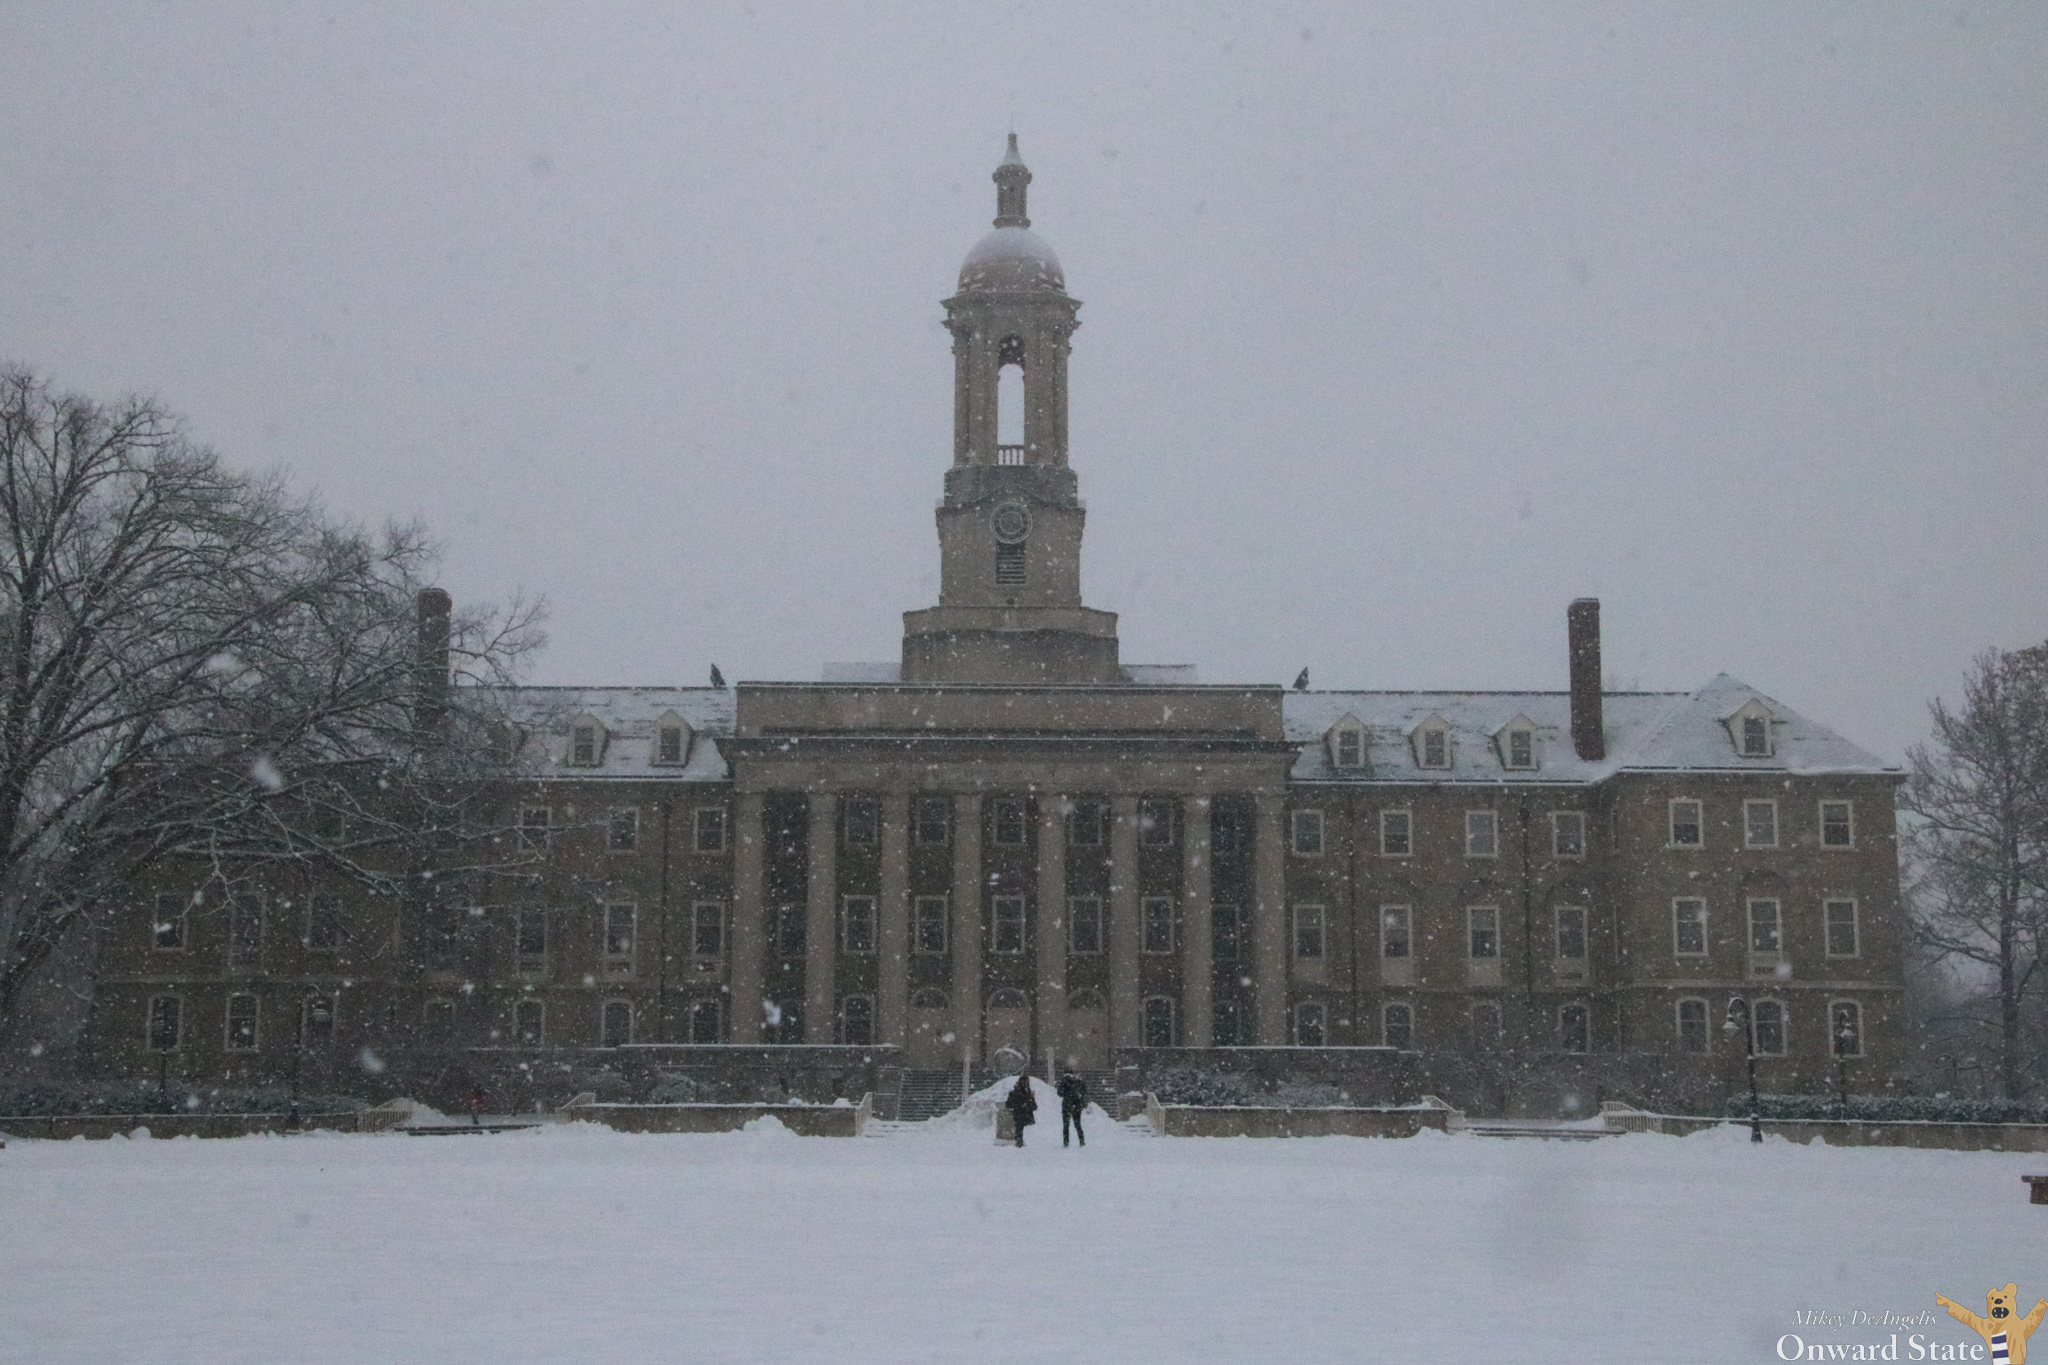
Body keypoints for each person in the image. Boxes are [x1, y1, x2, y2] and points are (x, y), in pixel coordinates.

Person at [1056, 1070, 1087, 1147]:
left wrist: (1066, 1093)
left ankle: (1066, 1142)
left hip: (1067, 1105)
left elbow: (1059, 1093)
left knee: (1066, 1125)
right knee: (1078, 1125)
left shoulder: (1065, 1081)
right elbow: (1084, 1091)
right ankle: (1082, 1141)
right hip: (1076, 1106)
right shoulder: (1078, 1080)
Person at [1004, 1073, 1036, 1148]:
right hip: (1021, 1112)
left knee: (1019, 1126)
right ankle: (1019, 1141)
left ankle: (1019, 1140)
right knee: (1019, 1126)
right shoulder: (1022, 1091)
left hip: (1020, 1112)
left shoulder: (1022, 1090)